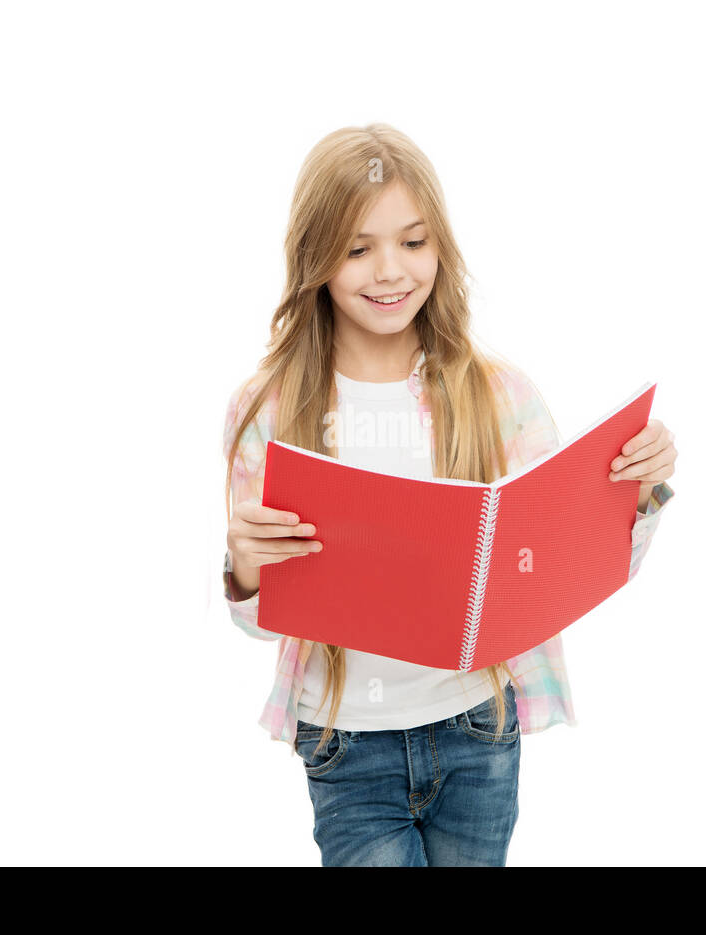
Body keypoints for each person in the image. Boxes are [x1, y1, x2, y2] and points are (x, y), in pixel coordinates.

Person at [221, 124, 677, 866]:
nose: (390, 271)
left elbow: (559, 565)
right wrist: (243, 569)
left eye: (414, 241)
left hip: (478, 732)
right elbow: (261, 619)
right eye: (357, 247)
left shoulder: (498, 396)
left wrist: (638, 489)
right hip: (347, 745)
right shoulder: (269, 410)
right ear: (315, 258)